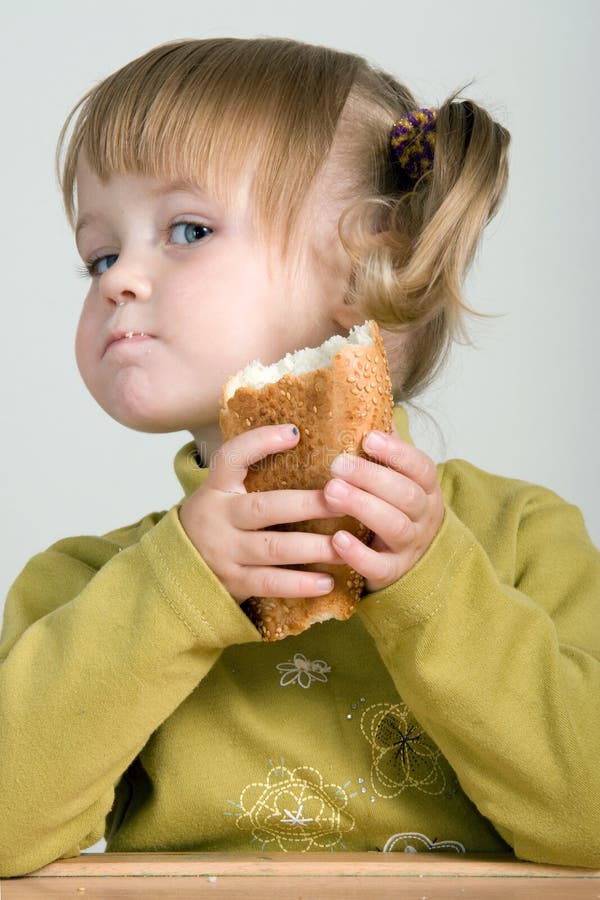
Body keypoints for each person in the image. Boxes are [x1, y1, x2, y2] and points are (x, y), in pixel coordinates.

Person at [0, 37, 598, 878]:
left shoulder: (521, 540)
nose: (117, 279)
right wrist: (176, 588)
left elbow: (589, 820)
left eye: (186, 229)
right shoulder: (84, 588)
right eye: (100, 253)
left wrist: (433, 586)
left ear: (365, 269)